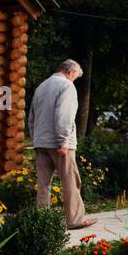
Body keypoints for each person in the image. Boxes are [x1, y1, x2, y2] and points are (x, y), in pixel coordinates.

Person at [28, 59, 95, 229]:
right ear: (71, 71)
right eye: (75, 77)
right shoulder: (66, 86)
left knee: (43, 184)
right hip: (59, 144)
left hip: (41, 142)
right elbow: (64, 115)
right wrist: (64, 141)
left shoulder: (41, 86)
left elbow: (31, 117)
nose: (74, 81)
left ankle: (43, 221)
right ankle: (75, 220)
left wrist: (36, 139)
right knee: (71, 181)